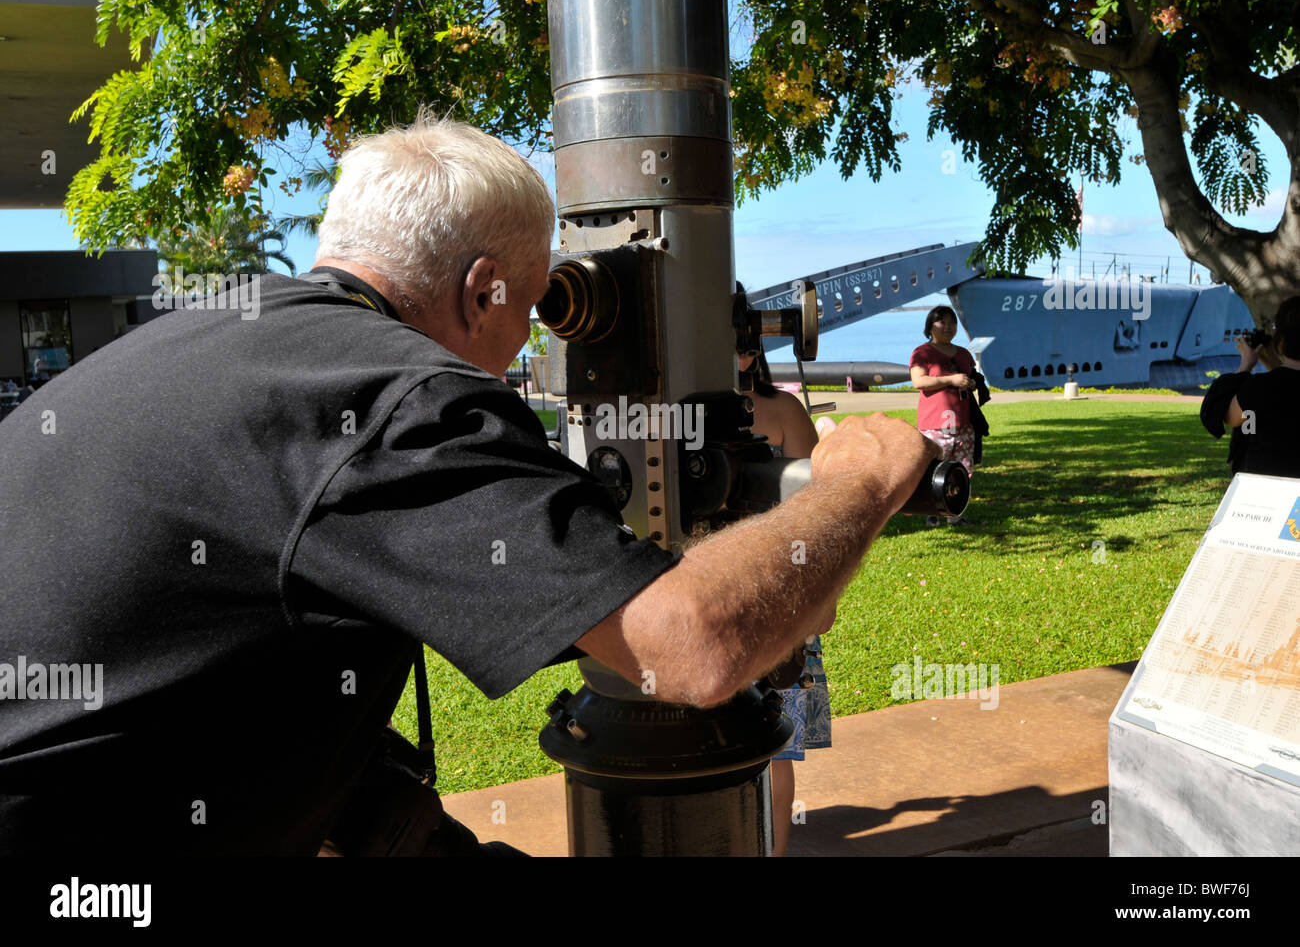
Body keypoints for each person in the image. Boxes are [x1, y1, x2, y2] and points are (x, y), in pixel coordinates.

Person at [0, 114, 938, 856]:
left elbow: (221, 694)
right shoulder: (390, 396)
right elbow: (690, 648)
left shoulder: (206, 343)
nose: (529, 344)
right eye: (536, 310)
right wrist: (855, 483)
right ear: (483, 288)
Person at [739, 347, 833, 857]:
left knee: (778, 745)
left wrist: (819, 595)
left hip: (778, 601)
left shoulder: (784, 411)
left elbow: (815, 513)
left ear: (752, 348)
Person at [1202, 296, 1300, 478]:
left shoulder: (1259, 387)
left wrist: (1245, 365)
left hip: (1264, 491)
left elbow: (1231, 417)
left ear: (1281, 340)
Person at [909, 305, 985, 525]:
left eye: (952, 323)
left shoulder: (963, 354)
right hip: (935, 424)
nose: (948, 327)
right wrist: (950, 379)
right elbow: (918, 381)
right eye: (942, 322)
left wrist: (969, 383)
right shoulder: (922, 353)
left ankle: (955, 513)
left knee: (962, 469)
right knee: (933, 467)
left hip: (963, 422)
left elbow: (971, 379)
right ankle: (931, 511)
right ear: (930, 327)